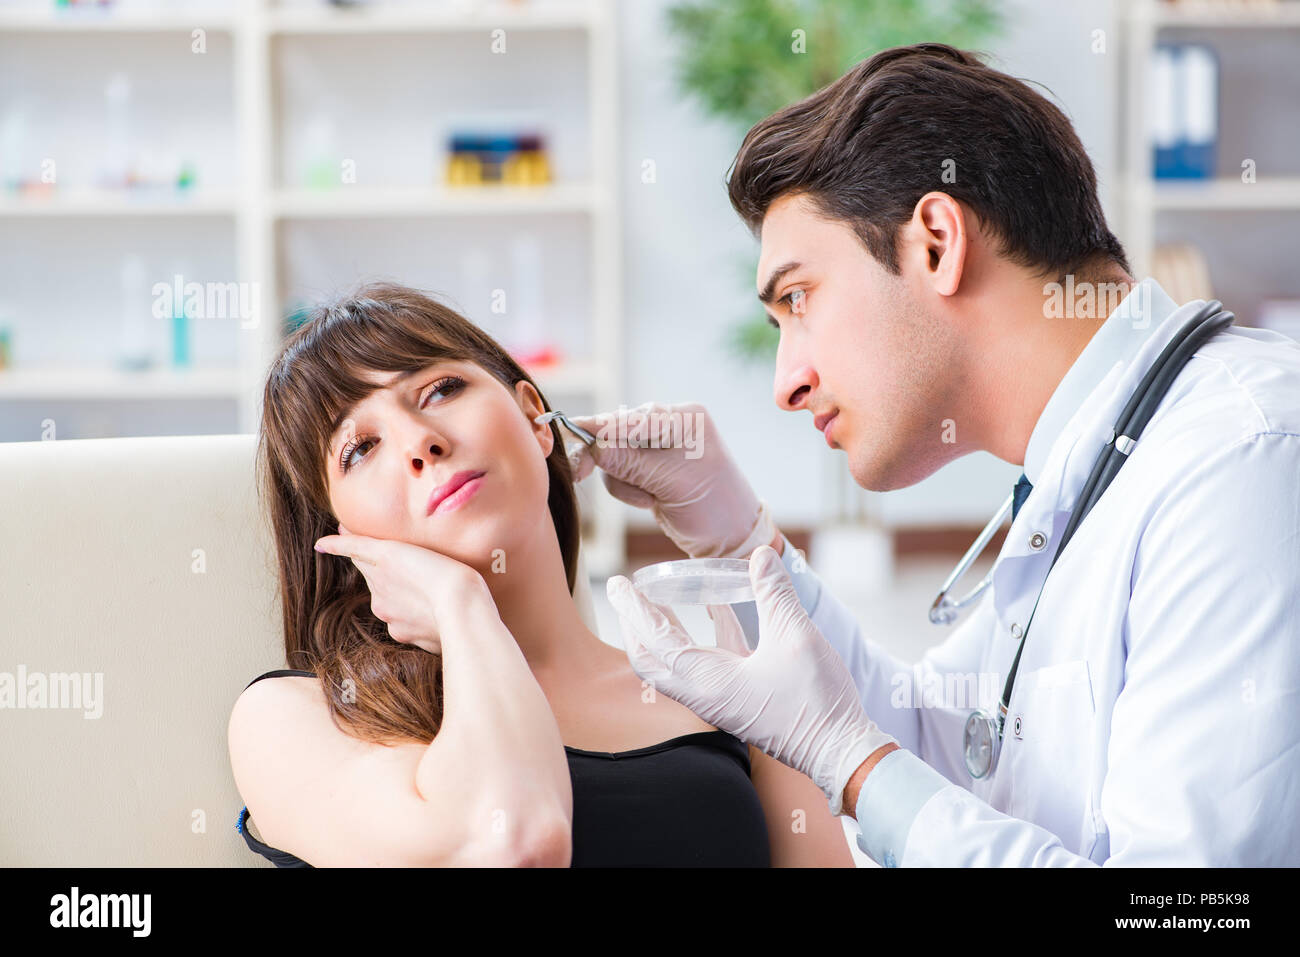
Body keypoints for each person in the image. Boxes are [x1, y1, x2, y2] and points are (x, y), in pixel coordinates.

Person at [587, 43, 1300, 866]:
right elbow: (943, 737)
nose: (787, 381)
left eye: (797, 298)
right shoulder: (1088, 474)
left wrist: (852, 763)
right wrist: (735, 536)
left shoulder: (1241, 461)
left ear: (935, 242)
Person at [227, 281, 854, 867]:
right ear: (337, 534)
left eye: (440, 390)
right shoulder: (296, 718)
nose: (420, 441)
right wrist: (461, 604)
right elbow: (515, 843)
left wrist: (743, 544)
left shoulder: (726, 685)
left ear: (533, 417)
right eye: (360, 449)